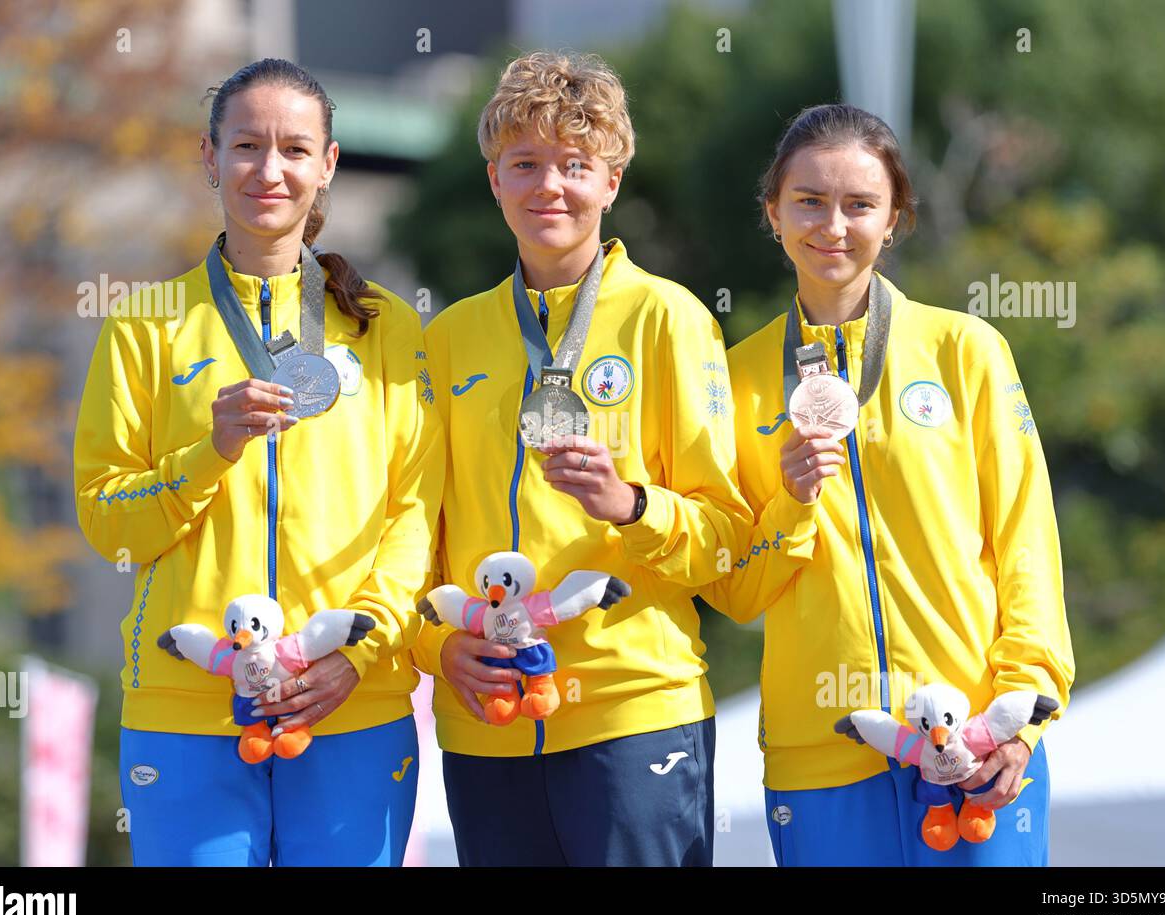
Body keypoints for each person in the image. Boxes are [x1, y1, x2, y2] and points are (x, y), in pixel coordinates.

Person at [73, 58, 444, 866]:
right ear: (210, 159)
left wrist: (359, 653)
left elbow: (415, 515)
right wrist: (211, 452)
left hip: (351, 701)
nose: (269, 170)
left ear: (329, 164)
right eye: (245, 146)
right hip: (187, 707)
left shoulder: (389, 331)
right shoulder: (145, 326)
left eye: (294, 149)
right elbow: (109, 524)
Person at [702, 103, 1074, 866]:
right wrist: (791, 502)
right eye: (808, 201)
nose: (832, 225)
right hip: (821, 755)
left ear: (895, 217)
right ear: (773, 212)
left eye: (859, 204)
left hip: (970, 741)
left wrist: (1024, 714)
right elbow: (734, 589)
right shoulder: (732, 380)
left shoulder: (965, 349)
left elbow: (1025, 542)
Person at [410, 50, 750, 866]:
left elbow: (730, 538)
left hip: (632, 712)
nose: (548, 187)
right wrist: (437, 649)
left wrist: (633, 505)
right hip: (487, 721)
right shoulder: (449, 337)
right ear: (494, 180)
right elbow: (413, 532)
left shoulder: (669, 318)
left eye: (574, 164)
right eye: (523, 163)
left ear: (613, 180)